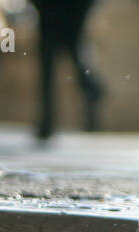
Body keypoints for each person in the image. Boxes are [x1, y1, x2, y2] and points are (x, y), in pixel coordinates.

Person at [34, 0, 101, 138]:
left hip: (66, 15)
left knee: (54, 68)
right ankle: (46, 122)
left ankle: (47, 122)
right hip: (56, 14)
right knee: (50, 69)